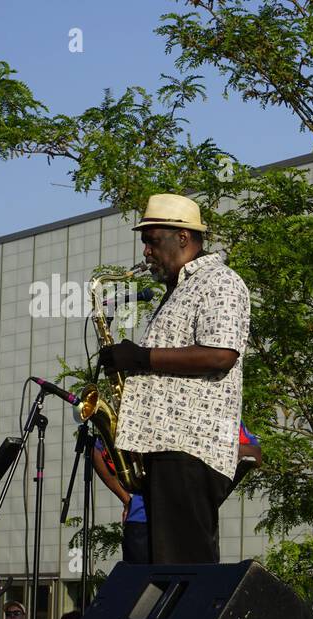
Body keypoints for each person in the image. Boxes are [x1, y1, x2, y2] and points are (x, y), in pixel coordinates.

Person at [98, 194, 251, 564]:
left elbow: (221, 354)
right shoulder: (178, 290)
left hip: (190, 450)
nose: (147, 251)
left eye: (153, 240)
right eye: (144, 243)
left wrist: (142, 357)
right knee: (164, 577)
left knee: (186, 575)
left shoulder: (220, 282)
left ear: (183, 237)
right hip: (165, 452)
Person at [91, 422, 262, 564]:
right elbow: (98, 449)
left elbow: (255, 452)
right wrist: (126, 498)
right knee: (141, 594)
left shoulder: (219, 412)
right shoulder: (151, 402)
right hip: (144, 521)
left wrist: (212, 452)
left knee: (193, 592)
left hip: (195, 519)